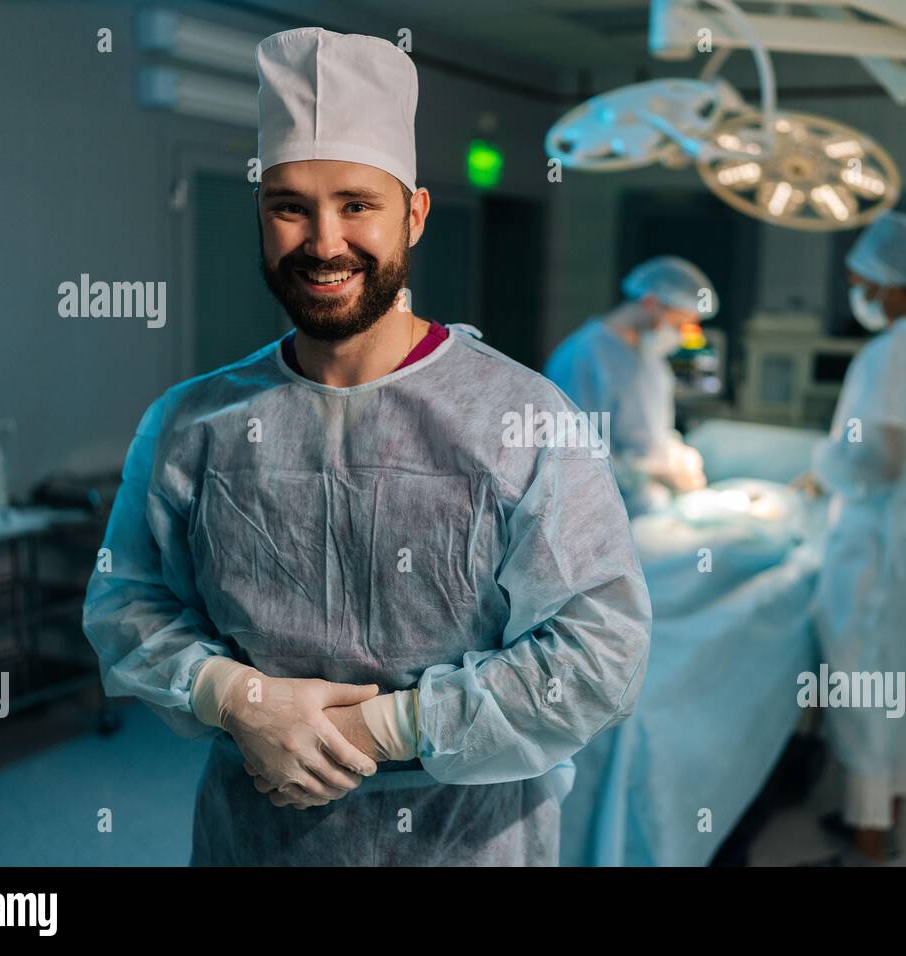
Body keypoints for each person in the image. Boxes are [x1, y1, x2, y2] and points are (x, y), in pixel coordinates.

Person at [82, 28, 651, 866]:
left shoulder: (524, 419)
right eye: (291, 206)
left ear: (413, 214)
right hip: (256, 838)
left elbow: (601, 650)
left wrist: (387, 727)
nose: (323, 242)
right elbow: (125, 605)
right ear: (262, 217)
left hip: (469, 839)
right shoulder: (187, 426)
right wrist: (236, 698)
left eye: (356, 204)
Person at [794, 212, 906, 862]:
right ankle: (883, 815)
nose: (856, 293)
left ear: (891, 284)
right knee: (892, 677)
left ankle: (868, 847)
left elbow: (885, 452)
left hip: (875, 537)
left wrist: (825, 467)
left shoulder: (891, 351)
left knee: (859, 682)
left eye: (858, 281)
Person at [544, 256, 715, 517]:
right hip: (604, 516)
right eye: (679, 323)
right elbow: (573, 454)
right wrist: (649, 473)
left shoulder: (650, 357)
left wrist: (678, 456)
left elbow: (651, 430)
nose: (681, 334)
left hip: (653, 506)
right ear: (650, 303)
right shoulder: (584, 356)